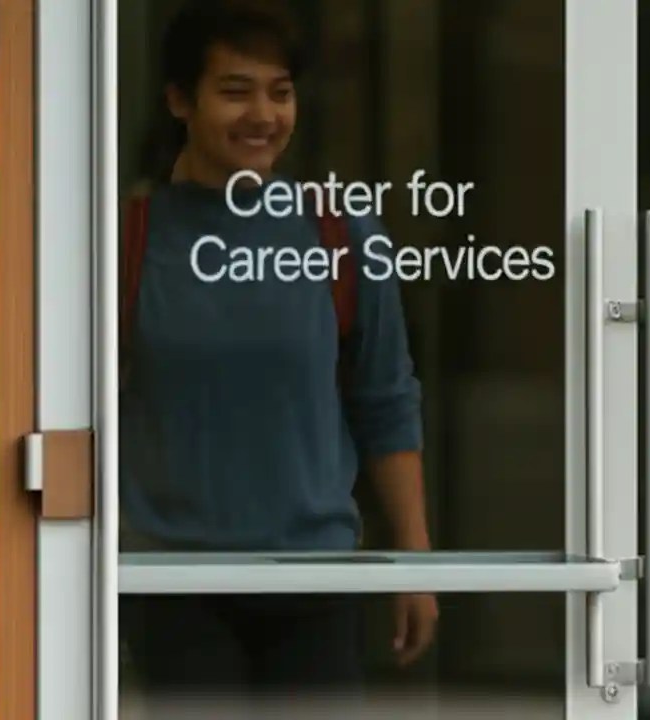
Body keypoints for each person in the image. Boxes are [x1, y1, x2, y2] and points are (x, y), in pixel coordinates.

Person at [117, 0, 437, 706]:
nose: (263, 114)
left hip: (315, 585)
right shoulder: (126, 242)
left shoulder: (344, 236)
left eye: (280, 91)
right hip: (175, 588)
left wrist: (415, 564)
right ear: (179, 101)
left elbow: (386, 404)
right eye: (235, 91)